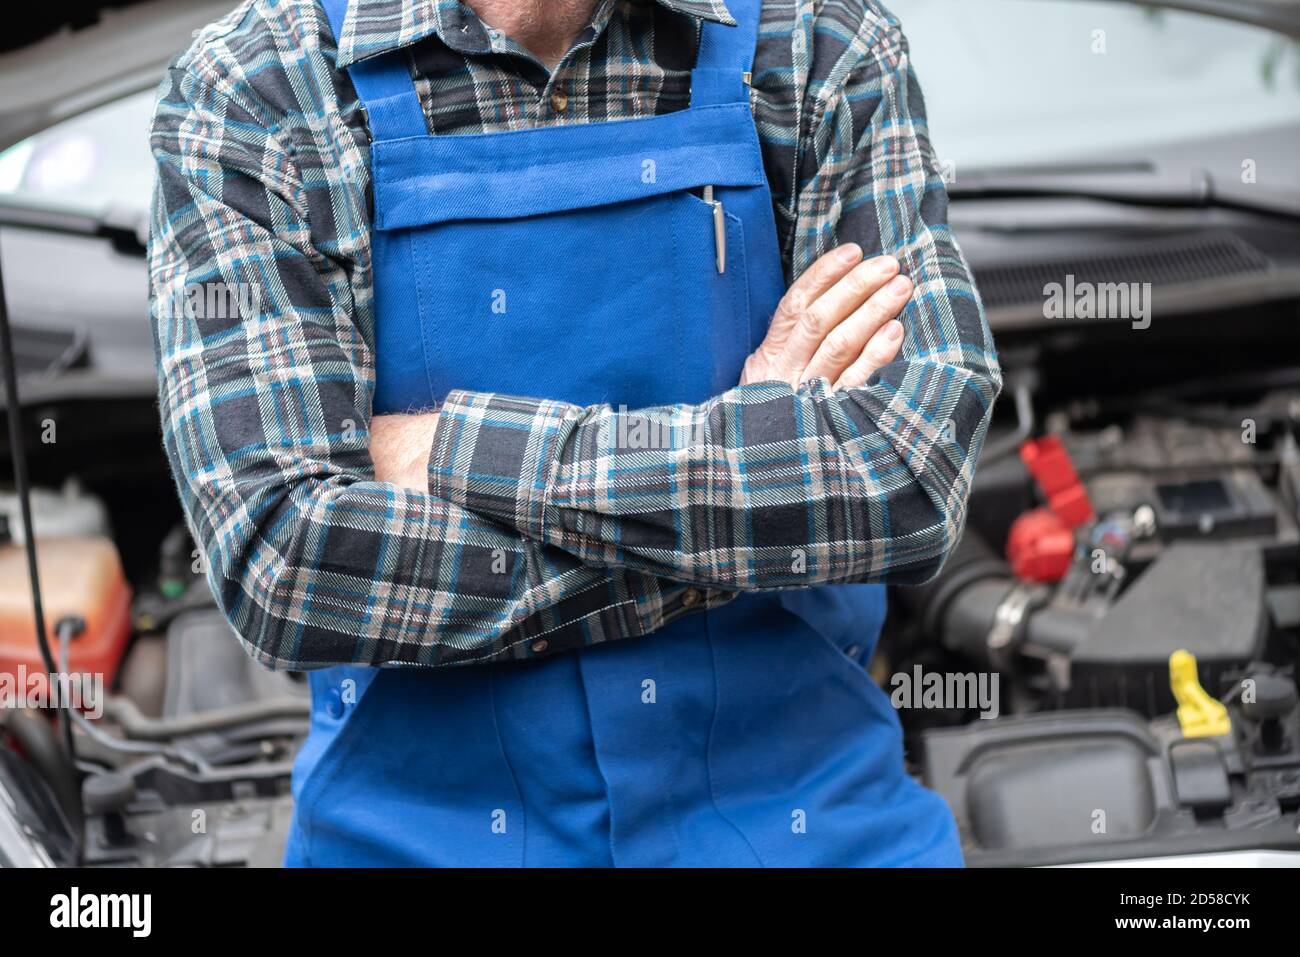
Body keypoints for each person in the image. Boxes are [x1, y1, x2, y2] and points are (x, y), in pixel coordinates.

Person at [148, 0, 1001, 866]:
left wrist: (450, 449)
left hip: (819, 832)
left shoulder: (820, 44)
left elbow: (905, 472)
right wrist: (752, 487)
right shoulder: (259, 91)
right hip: (410, 844)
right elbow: (287, 559)